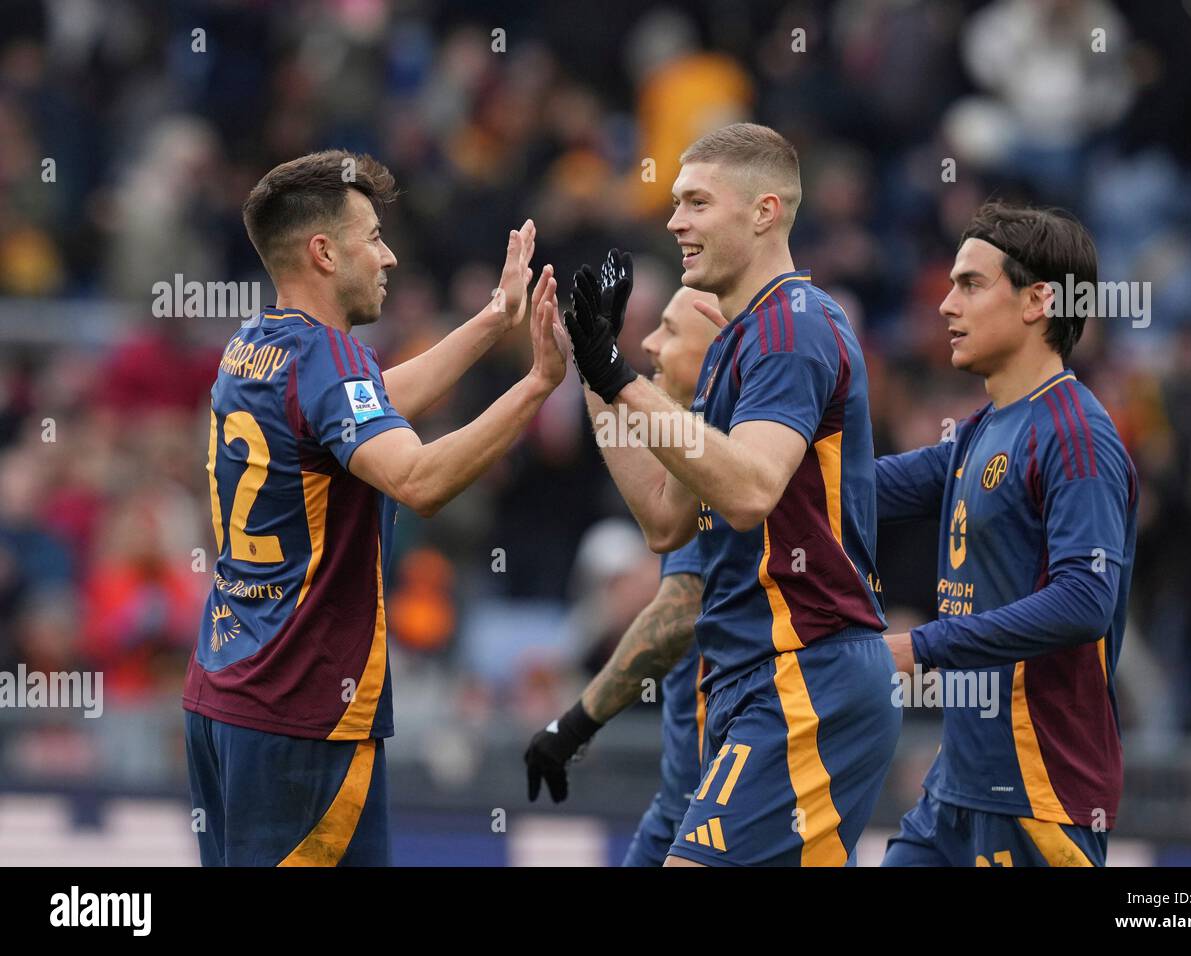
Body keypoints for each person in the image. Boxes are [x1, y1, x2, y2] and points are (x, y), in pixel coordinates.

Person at [183, 150, 567, 866]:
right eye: (374, 238)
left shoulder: (255, 346)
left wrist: (492, 320)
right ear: (324, 252)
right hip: (302, 711)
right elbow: (417, 479)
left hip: (230, 695)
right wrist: (537, 386)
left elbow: (369, 408)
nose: (389, 257)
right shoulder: (330, 359)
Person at [563, 124, 900, 866]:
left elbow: (748, 491)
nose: (674, 221)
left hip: (806, 674)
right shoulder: (743, 346)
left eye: (695, 203)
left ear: (764, 211)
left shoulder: (791, 328)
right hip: (758, 680)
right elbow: (664, 517)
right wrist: (596, 374)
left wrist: (618, 377)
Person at [877, 201, 1139, 867]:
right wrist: (692, 426)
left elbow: (1086, 600)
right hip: (956, 793)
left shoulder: (1077, 436)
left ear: (1037, 302)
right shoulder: (983, 429)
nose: (945, 306)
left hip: (1036, 796)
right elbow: (853, 493)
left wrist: (921, 648)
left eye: (969, 284)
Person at [524, 280, 720, 868]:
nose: (652, 344)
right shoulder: (697, 440)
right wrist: (593, 367)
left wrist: (574, 725)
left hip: (731, 793)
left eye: (670, 330)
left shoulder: (724, 448)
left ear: (716, 354)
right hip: (686, 791)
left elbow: (676, 607)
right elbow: (656, 510)